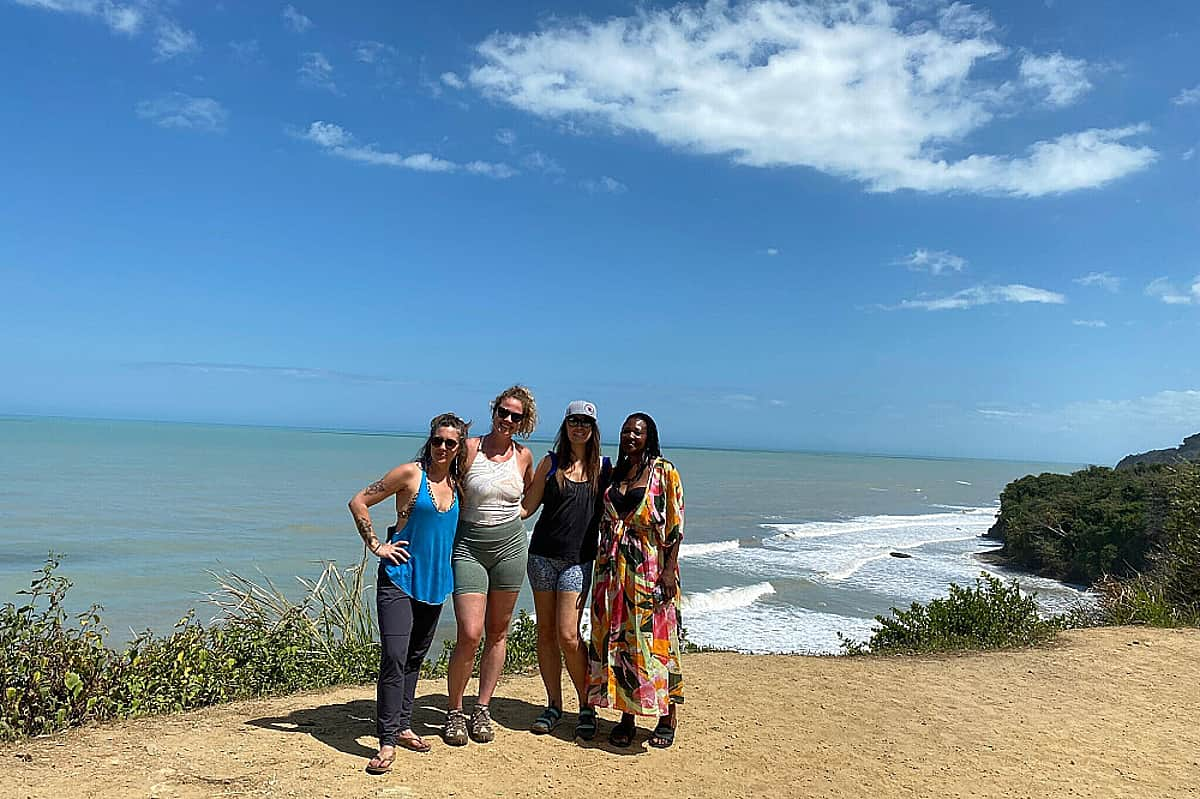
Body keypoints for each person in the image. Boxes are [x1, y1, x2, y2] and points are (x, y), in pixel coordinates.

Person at [347, 412, 471, 774]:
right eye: (438, 440)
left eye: (451, 442)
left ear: (459, 446)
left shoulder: (459, 483)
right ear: (429, 441)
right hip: (399, 578)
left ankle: (402, 725)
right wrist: (377, 545)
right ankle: (386, 741)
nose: (443, 447)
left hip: (435, 582)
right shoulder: (409, 473)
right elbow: (358, 501)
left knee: (415, 658)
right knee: (395, 656)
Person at [444, 385, 537, 745]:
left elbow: (531, 495)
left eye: (516, 416)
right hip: (469, 546)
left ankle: (481, 707)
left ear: (523, 421)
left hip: (510, 547)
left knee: (498, 632)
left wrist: (520, 515)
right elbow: (440, 481)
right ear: (493, 411)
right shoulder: (468, 448)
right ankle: (454, 711)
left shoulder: (524, 456)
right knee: (470, 633)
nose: (507, 420)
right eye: (503, 412)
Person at [588, 412, 685, 749]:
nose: (631, 436)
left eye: (638, 432)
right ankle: (626, 715)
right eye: (626, 430)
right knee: (619, 644)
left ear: (649, 436)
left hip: (648, 569)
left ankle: (666, 716)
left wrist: (669, 570)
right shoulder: (614, 473)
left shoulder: (664, 471)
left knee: (655, 644)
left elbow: (675, 526)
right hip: (612, 573)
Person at [520, 400, 611, 740]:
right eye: (574, 421)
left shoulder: (603, 468)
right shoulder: (550, 462)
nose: (579, 427)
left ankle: (586, 705)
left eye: (585, 422)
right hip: (541, 557)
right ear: (565, 425)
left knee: (568, 635)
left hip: (578, 560)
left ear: (593, 429)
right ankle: (554, 704)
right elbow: (526, 508)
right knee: (545, 633)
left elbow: (617, 513)